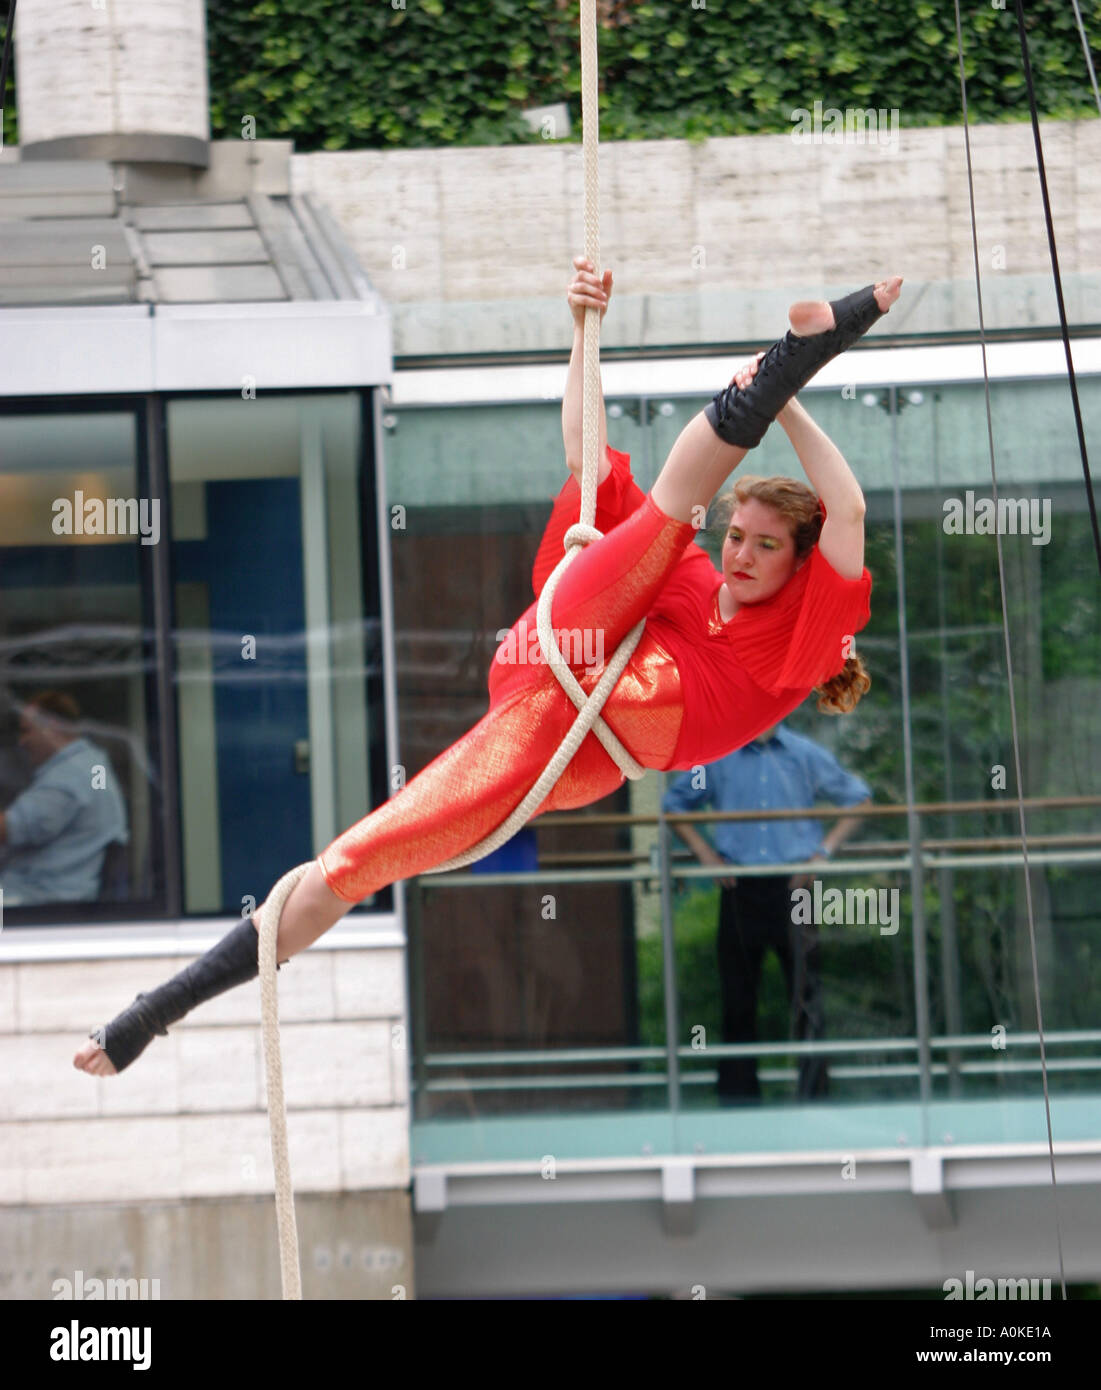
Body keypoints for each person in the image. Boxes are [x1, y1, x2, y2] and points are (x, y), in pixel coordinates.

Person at [75, 256, 903, 1076]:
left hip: (567, 741)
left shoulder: (799, 642)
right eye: (738, 535)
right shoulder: (688, 575)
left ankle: (148, 1015)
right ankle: (789, 354)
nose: (743, 555)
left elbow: (851, 510)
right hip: (557, 657)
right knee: (664, 514)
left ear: (798, 566)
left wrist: (791, 406)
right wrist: (582, 331)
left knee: (352, 864)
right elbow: (588, 458)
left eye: (765, 546)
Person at [663, 721, 871, 1102]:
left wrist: (822, 854)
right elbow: (674, 805)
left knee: (807, 995)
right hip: (739, 888)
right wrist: (706, 854)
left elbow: (859, 799)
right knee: (737, 999)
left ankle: (815, 1098)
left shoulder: (803, 753)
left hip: (795, 888)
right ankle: (738, 1100)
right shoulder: (718, 757)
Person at [0, 692, 129, 906]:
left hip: (36, 899)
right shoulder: (93, 763)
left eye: (26, 731)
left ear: (52, 726)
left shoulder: (71, 776)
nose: (22, 742)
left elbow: (12, 827)